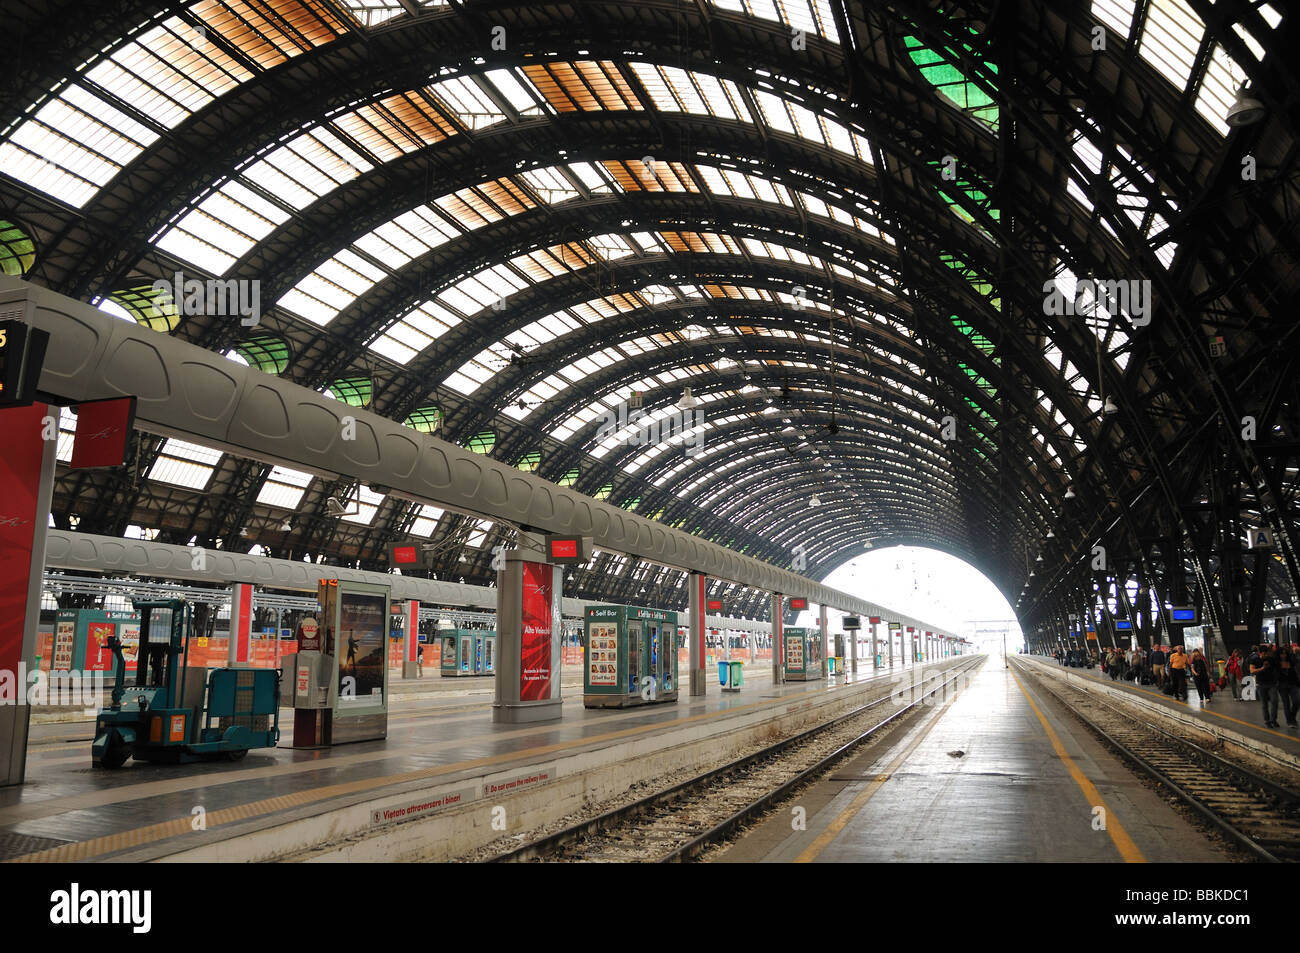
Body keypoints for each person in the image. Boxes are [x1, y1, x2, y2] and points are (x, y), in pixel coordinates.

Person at [1250, 644, 1280, 729]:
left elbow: (1277, 669)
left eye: (1266, 653)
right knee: (1264, 704)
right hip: (1261, 684)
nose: (1265, 655)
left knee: (1275, 701)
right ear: (1259, 653)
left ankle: (1273, 720)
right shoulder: (1255, 660)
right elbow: (1252, 670)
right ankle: (1267, 721)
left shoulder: (1271, 660)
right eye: (1263, 653)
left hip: (1272, 684)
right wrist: (1263, 668)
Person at [1277, 645, 1300, 728]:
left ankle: (1292, 717)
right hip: (1282, 685)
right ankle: (1290, 721)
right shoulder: (1276, 663)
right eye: (1282, 654)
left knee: (1296, 701)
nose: (1284, 655)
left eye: (1285, 653)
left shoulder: (1292, 661)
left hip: (1293, 683)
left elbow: (1296, 670)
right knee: (1286, 704)